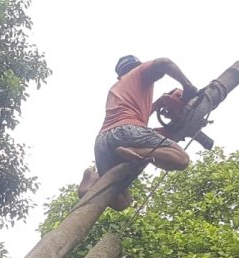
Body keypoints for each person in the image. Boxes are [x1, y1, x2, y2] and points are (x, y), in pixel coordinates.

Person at [78, 55, 200, 211]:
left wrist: (158, 104)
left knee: (122, 201)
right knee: (181, 159)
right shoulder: (140, 72)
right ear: (139, 65)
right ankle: (134, 151)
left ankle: (91, 178)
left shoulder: (119, 87)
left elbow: (137, 117)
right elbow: (164, 62)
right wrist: (188, 86)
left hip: (103, 142)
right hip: (126, 132)